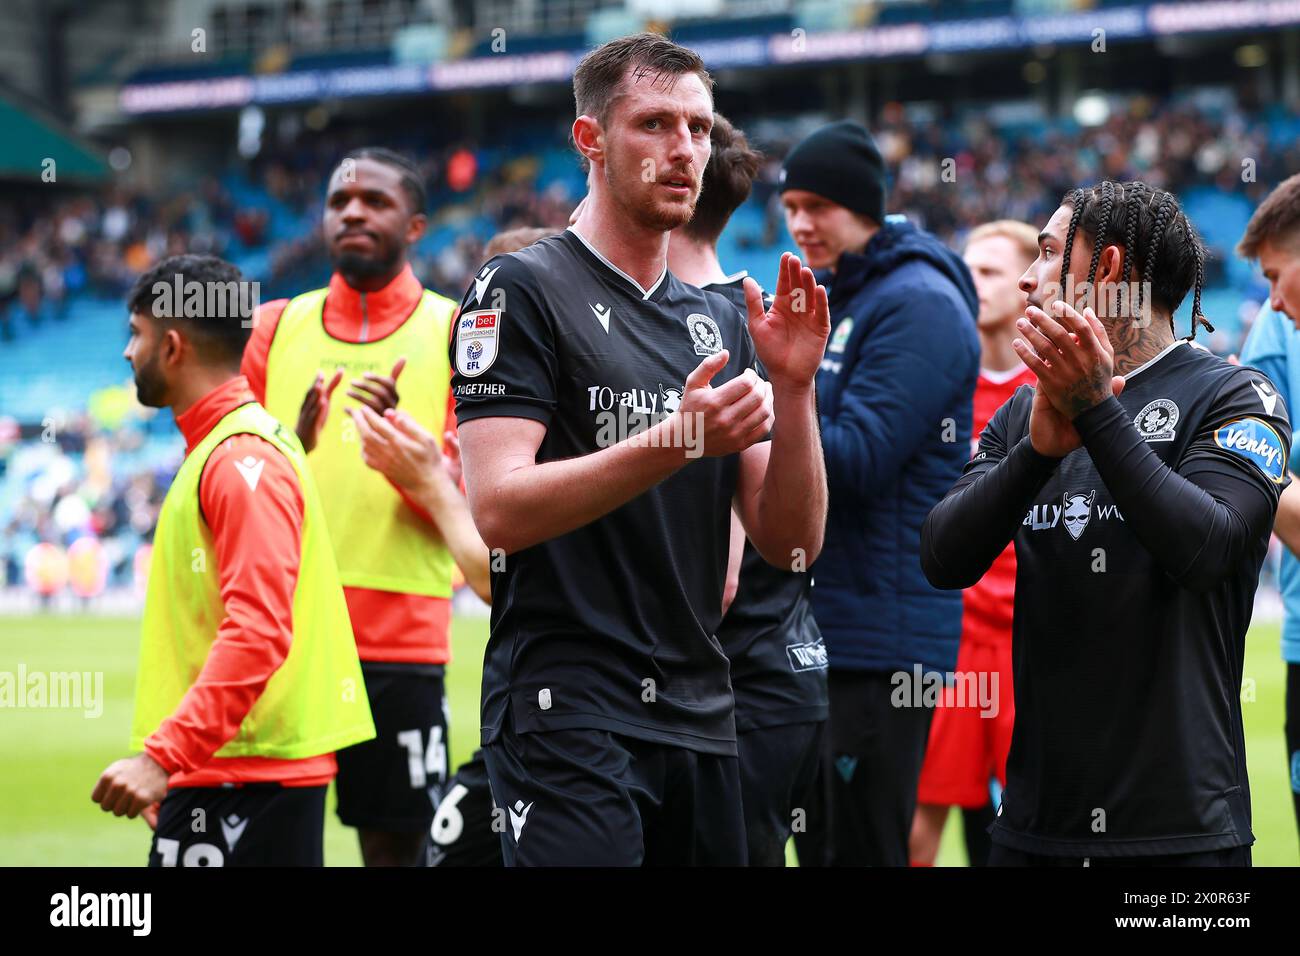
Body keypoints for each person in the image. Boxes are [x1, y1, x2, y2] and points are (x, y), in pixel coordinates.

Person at [452, 33, 829, 866]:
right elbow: (500, 510)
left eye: (698, 128)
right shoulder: (520, 288)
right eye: (654, 125)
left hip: (702, 707)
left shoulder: (722, 320)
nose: (684, 150)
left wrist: (796, 390)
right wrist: (679, 439)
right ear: (590, 140)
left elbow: (792, 543)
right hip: (567, 709)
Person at [922, 180, 1290, 866]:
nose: (1031, 279)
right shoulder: (1025, 414)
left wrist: (1096, 411)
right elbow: (943, 557)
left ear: (1110, 268)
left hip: (1180, 837)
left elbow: (1206, 548)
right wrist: (1035, 450)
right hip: (1033, 831)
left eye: (1048, 253)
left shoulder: (1236, 396)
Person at [92, 254, 374, 865]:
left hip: (247, 777)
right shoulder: (239, 447)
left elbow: (258, 631)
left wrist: (163, 755)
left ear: (172, 346)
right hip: (228, 770)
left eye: (135, 335)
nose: (126, 353)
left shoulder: (240, 457)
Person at [241, 147, 461, 866]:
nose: (353, 212)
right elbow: (227, 486)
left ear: (418, 225)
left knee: (399, 851)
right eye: (339, 201)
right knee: (272, 850)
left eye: (375, 201)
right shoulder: (273, 329)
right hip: (283, 642)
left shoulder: (458, 331)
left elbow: (477, 508)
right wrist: (290, 451)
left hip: (401, 645)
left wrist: (406, 460)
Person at [780, 120, 981, 866]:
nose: (801, 222)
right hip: (834, 626)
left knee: (860, 850)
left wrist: (760, 413)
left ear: (863, 206)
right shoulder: (846, 292)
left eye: (818, 206)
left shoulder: (920, 304)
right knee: (826, 846)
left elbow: (858, 459)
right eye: (791, 204)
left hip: (882, 642)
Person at [666, 112, 827, 867]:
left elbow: (720, 571)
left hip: (737, 687)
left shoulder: (717, 327)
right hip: (779, 667)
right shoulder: (748, 313)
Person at [910, 220, 1038, 867]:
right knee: (915, 830)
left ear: (1026, 287)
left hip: (1032, 647)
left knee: (1040, 830)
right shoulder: (939, 390)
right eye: (965, 270)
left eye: (988, 272)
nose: (971, 283)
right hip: (952, 647)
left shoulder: (1051, 395)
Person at [1236, 171, 1300, 845]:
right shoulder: (1278, 340)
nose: (1272, 302)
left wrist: (1247, 455)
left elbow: (1257, 463)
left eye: (1277, 276)